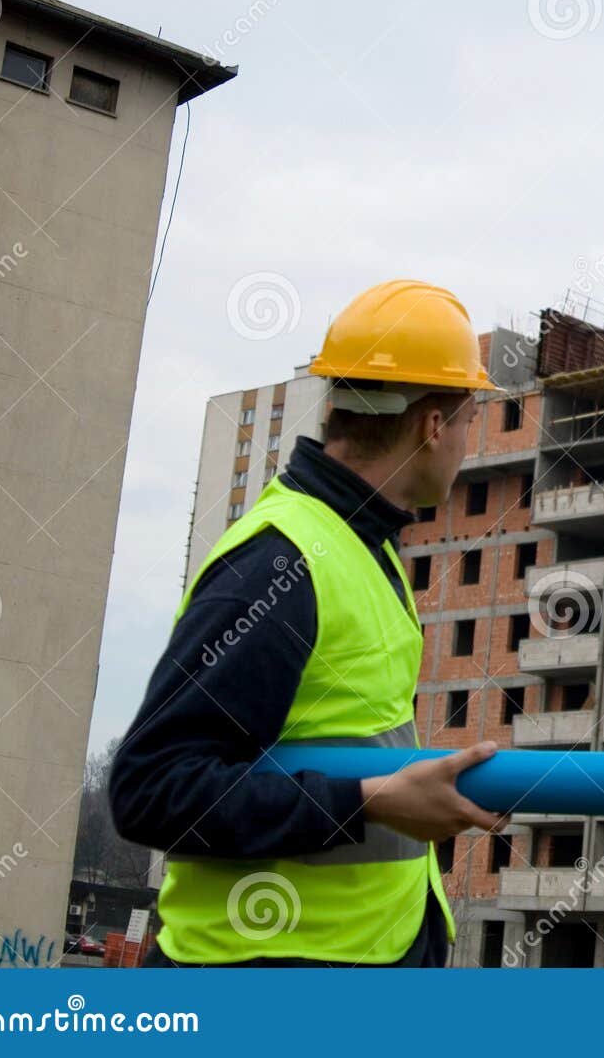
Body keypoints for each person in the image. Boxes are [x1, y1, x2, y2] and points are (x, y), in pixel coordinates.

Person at [110, 279, 509, 967]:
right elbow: (152, 789)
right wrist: (367, 800)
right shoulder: (283, 562)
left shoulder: (361, 546)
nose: (465, 445)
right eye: (468, 422)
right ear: (432, 425)